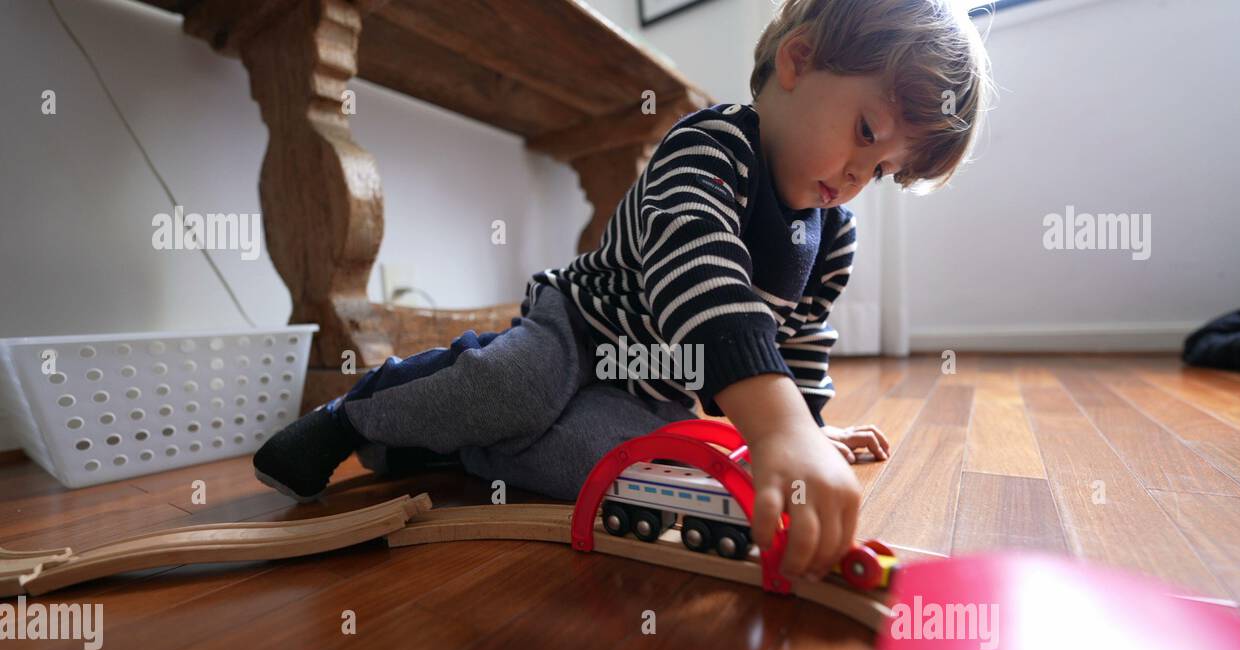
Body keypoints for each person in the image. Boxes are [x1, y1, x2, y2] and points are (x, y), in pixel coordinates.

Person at [253, 0, 992, 582]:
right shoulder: (710, 145)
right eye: (867, 130)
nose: (862, 176)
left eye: (887, 169)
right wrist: (776, 431)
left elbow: (800, 336)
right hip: (578, 327)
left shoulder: (834, 232)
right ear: (798, 61)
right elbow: (696, 275)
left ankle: (451, 446)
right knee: (515, 383)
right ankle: (357, 412)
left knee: (618, 473)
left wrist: (806, 420)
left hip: (648, 388)